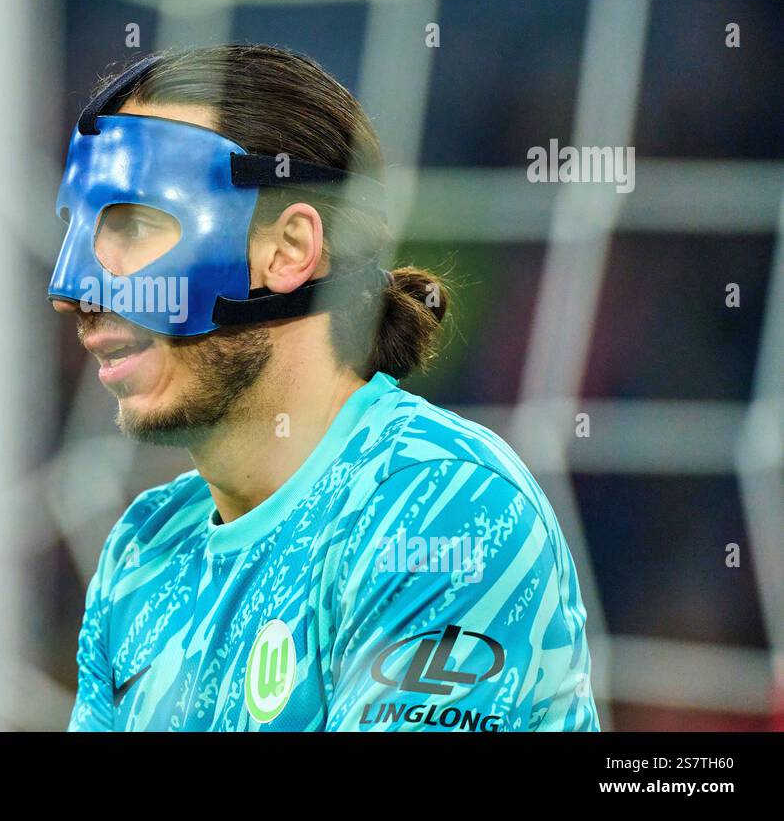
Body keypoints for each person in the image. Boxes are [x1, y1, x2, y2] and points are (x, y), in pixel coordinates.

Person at [49, 44, 598, 732]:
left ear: (288, 251)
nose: (73, 293)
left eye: (132, 223)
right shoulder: (144, 551)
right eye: (79, 229)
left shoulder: (439, 506)